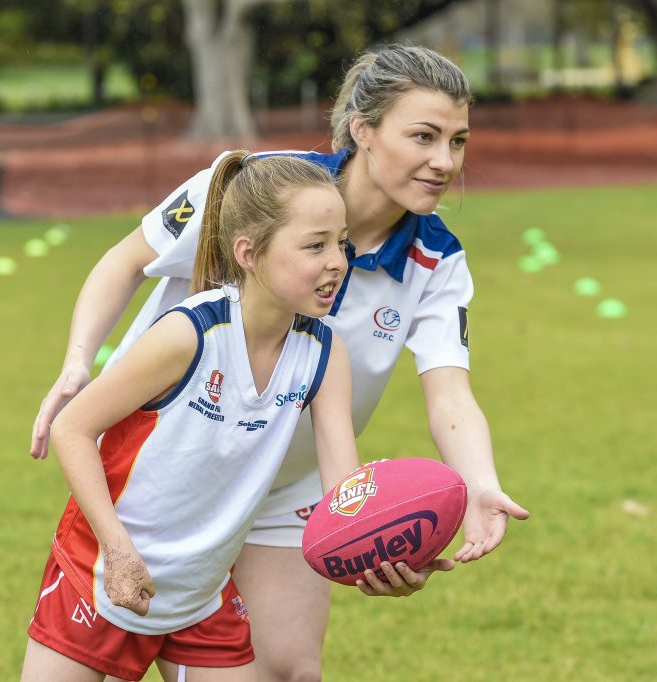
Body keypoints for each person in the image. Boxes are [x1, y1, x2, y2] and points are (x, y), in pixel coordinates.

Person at [30, 44, 529, 681]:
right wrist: (78, 365)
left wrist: (477, 485)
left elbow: (450, 394)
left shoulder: (437, 259)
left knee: (291, 670)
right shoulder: (255, 188)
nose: (445, 162)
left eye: (457, 141)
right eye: (424, 136)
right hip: (173, 470)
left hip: (289, 484)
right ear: (364, 130)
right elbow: (127, 259)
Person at [23, 153, 417, 682]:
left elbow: (342, 493)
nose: (337, 262)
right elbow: (74, 427)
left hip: (201, 590)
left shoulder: (325, 354)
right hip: (100, 569)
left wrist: (381, 546)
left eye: (341, 243)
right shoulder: (190, 333)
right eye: (315, 245)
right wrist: (117, 550)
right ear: (249, 253)